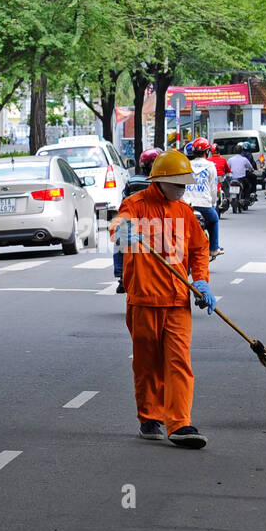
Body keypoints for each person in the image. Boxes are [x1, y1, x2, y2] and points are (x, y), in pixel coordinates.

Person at [108, 150, 214, 449]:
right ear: (161, 180)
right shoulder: (136, 205)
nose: (182, 187)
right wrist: (124, 230)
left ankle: (180, 423)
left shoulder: (183, 212)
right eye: (177, 182)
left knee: (179, 362)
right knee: (148, 364)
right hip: (143, 301)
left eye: (184, 182)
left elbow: (199, 249)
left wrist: (202, 280)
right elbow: (117, 227)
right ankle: (149, 417)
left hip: (179, 301)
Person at [184, 142, 222, 259]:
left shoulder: (187, 165)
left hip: (187, 204)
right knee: (214, 219)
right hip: (204, 204)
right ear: (207, 151)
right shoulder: (210, 166)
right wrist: (213, 203)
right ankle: (214, 248)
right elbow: (213, 187)